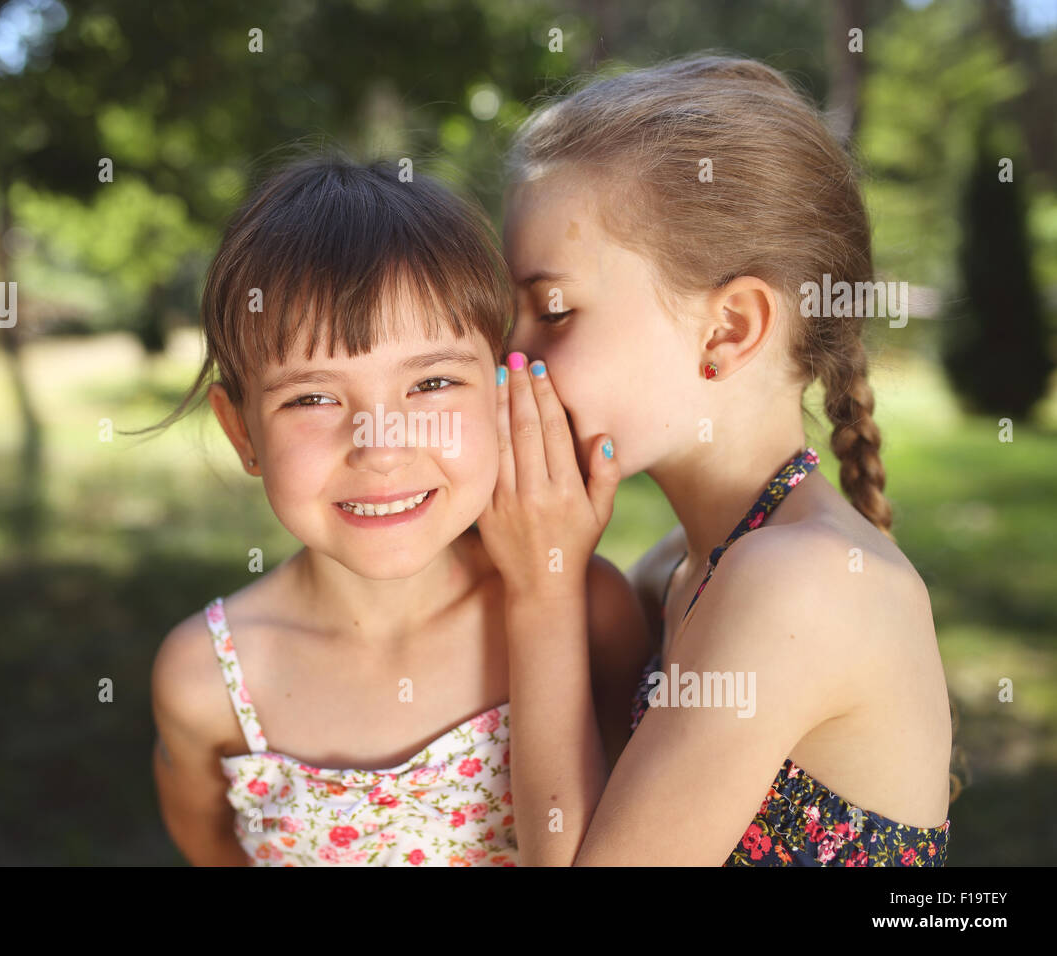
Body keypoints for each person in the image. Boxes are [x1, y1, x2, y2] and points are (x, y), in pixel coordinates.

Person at [478, 54, 954, 865]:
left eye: (552, 310)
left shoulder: (799, 583)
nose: (506, 355)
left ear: (728, 329)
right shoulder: (675, 568)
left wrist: (543, 589)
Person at [144, 157, 645, 865]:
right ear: (241, 432)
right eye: (312, 398)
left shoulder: (589, 611)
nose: (380, 449)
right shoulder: (204, 679)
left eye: (432, 382)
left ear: (503, 394)